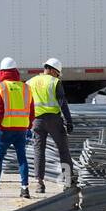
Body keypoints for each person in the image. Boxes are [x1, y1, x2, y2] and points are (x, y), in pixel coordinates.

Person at [0, 57, 32, 199]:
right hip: (21, 130)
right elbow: (32, 110)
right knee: (22, 158)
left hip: (5, 129)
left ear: (2, 72)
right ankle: (24, 189)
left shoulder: (0, 88)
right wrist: (28, 126)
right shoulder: (26, 88)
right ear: (15, 71)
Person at [27, 57, 74, 193]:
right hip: (54, 120)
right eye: (58, 73)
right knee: (63, 150)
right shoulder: (55, 82)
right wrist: (69, 121)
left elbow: (26, 102)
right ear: (53, 71)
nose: (58, 75)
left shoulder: (31, 82)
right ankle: (68, 181)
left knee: (39, 151)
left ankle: (39, 184)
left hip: (37, 121)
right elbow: (63, 103)